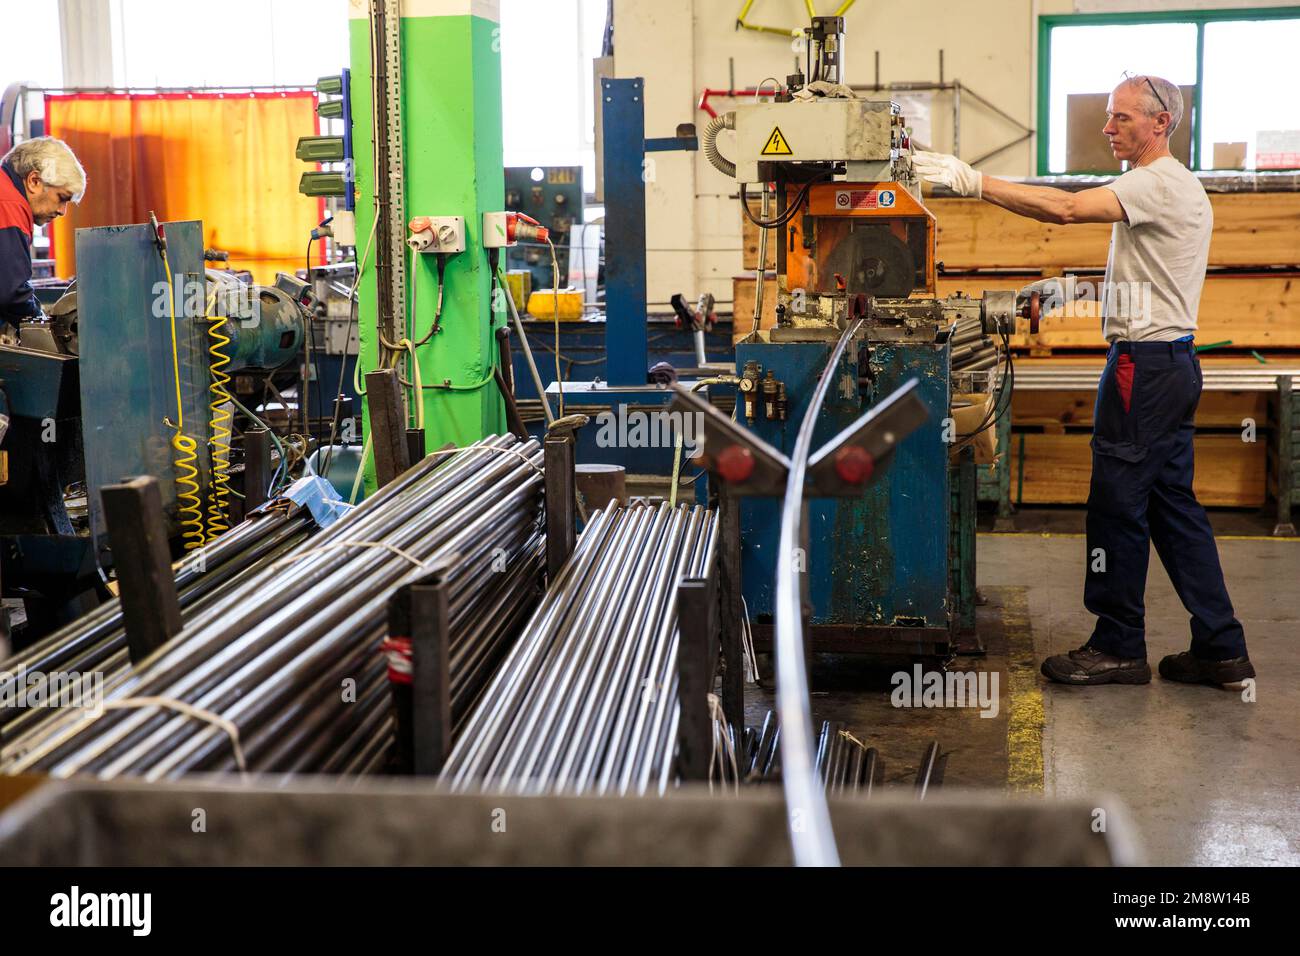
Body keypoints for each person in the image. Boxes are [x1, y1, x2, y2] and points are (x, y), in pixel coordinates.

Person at [913, 75, 1253, 689]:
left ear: (1160, 123)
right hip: (1171, 363)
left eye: (1121, 118)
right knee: (1174, 509)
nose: (1107, 127)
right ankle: (1221, 647)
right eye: (1108, 116)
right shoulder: (1171, 188)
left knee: (1117, 507)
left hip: (1140, 372)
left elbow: (1066, 208)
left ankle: (1119, 645)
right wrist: (1072, 289)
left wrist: (973, 181)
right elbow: (1151, 281)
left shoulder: (1153, 182)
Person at [0, 137, 86, 329]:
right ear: (34, 181)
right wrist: (44, 326)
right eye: (61, 198)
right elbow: (11, 293)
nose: (62, 211)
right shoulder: (8, 205)